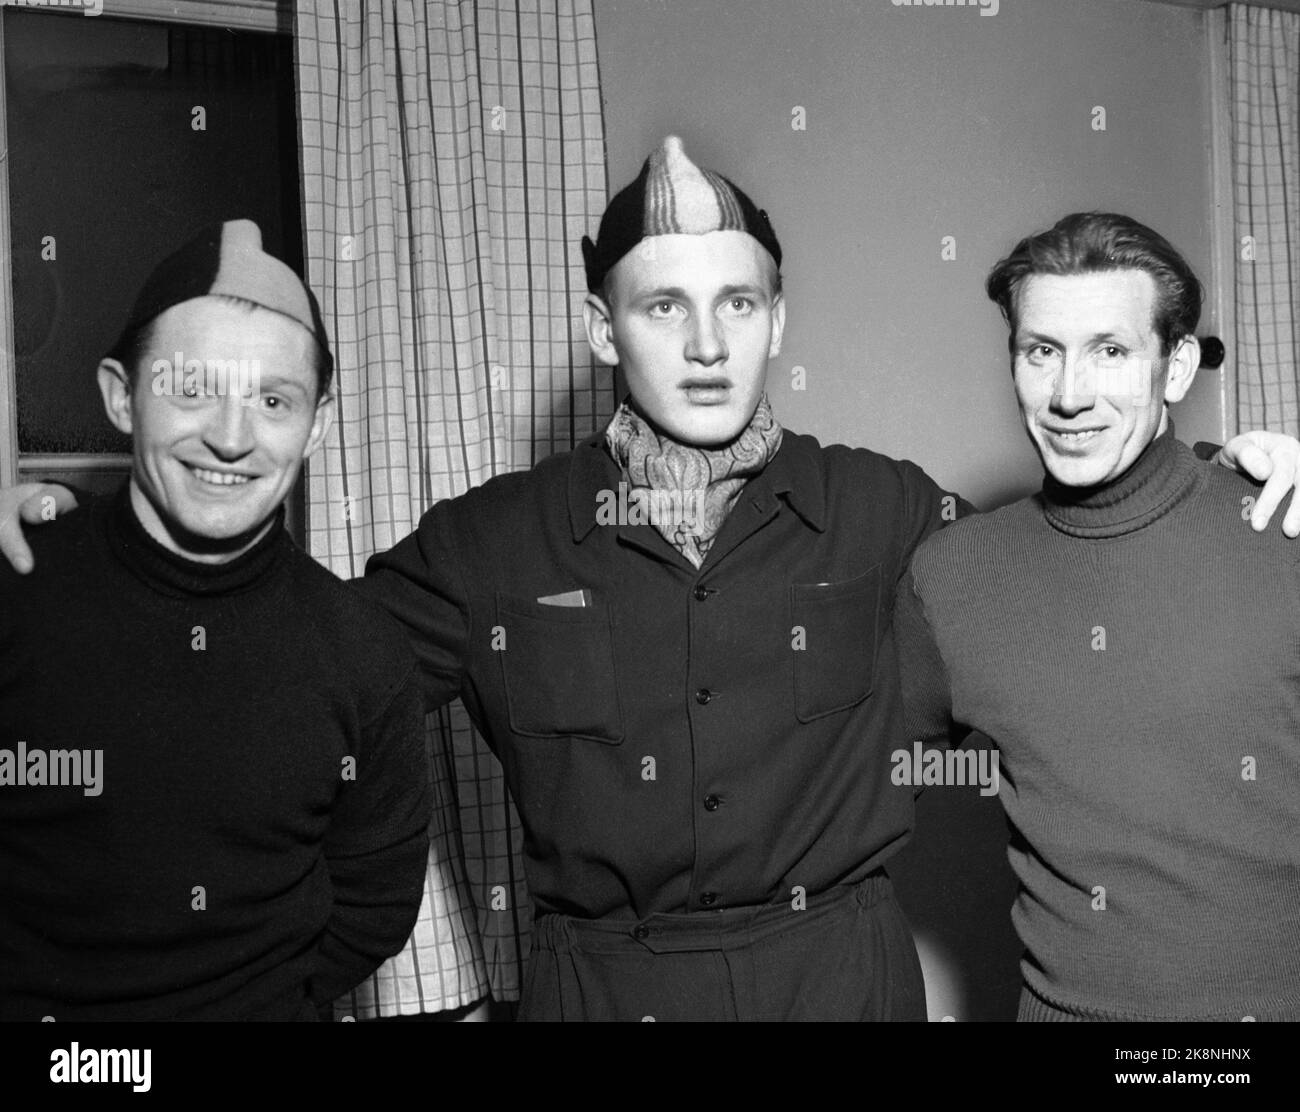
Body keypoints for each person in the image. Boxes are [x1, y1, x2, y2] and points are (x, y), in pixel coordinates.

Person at [5, 145, 1300, 1021]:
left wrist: (1246, 479)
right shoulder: (485, 547)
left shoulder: (897, 514)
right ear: (598, 328)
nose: (704, 342)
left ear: (780, 317)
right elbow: (267, 660)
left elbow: (1096, 583)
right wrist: (77, 550)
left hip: (835, 985)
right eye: (660, 306)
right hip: (597, 985)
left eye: (738, 304)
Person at [0, 220, 432, 1020]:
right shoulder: (19, 587)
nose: (231, 439)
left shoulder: (363, 653)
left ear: (319, 426)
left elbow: (374, 905)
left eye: (273, 400)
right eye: (192, 387)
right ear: (122, 396)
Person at [894, 212, 1300, 1021]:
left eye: (1110, 351)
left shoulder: (1281, 530)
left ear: (1176, 367)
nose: (1069, 395)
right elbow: (839, 801)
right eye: (1042, 352)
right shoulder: (955, 576)